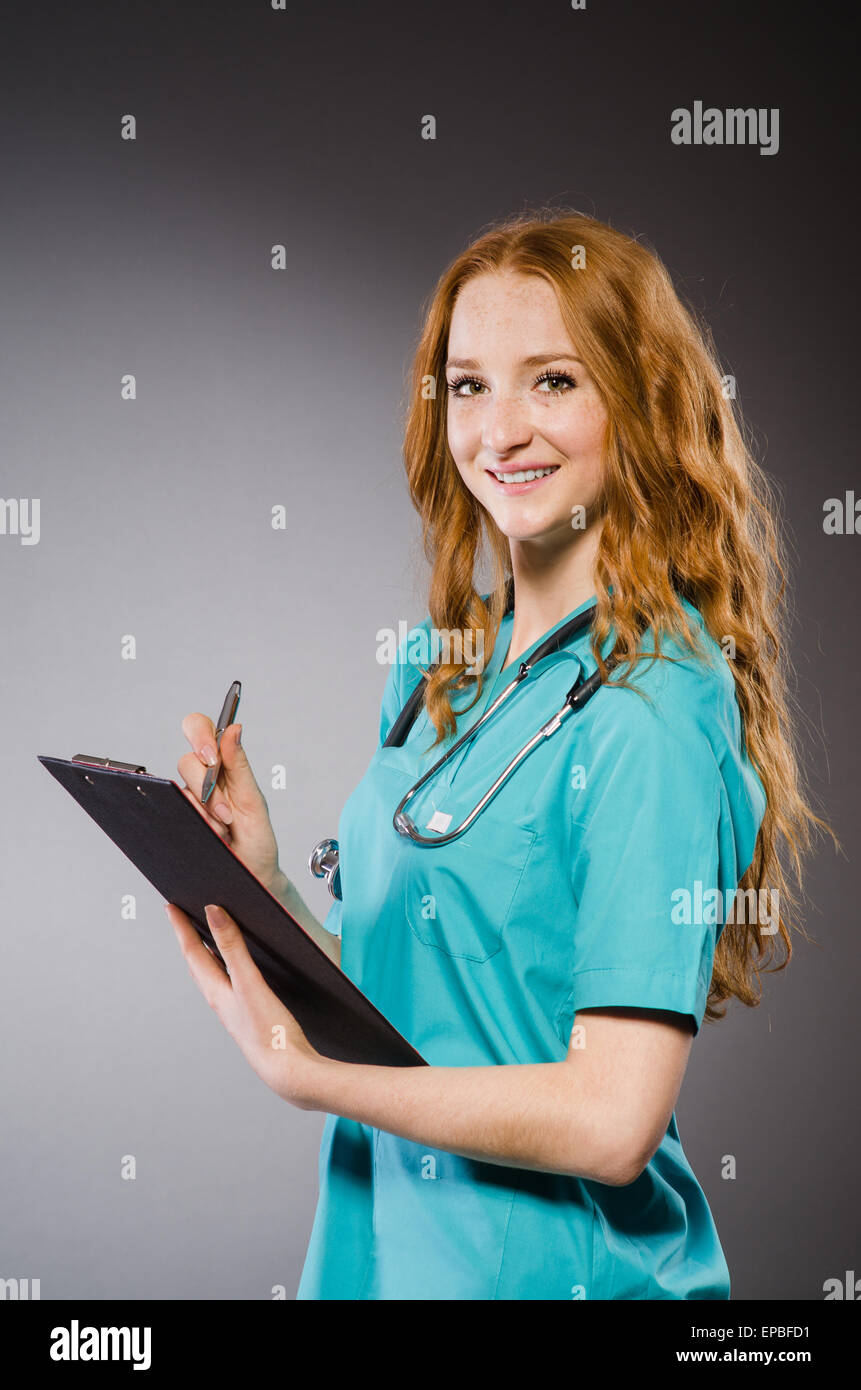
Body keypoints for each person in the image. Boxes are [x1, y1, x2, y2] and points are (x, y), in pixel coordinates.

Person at [166, 209, 829, 1300]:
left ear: (642, 406)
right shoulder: (439, 670)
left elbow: (615, 1120)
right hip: (382, 1261)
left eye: (554, 381)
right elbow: (427, 1008)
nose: (501, 429)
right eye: (469, 385)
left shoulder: (653, 709)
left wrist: (312, 1076)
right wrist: (266, 879)